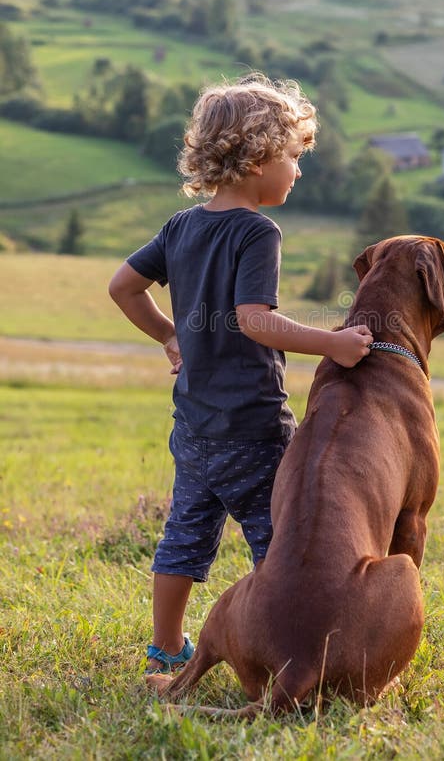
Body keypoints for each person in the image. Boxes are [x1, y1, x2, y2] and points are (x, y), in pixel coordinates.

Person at [108, 74, 372, 676]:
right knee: (280, 545)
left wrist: (168, 333)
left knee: (185, 536)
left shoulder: (180, 227)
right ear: (256, 158)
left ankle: (166, 649)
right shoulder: (258, 231)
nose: (298, 171)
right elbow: (254, 320)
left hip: (194, 424)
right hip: (252, 428)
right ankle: (280, 647)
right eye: (293, 157)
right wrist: (333, 342)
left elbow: (122, 287)